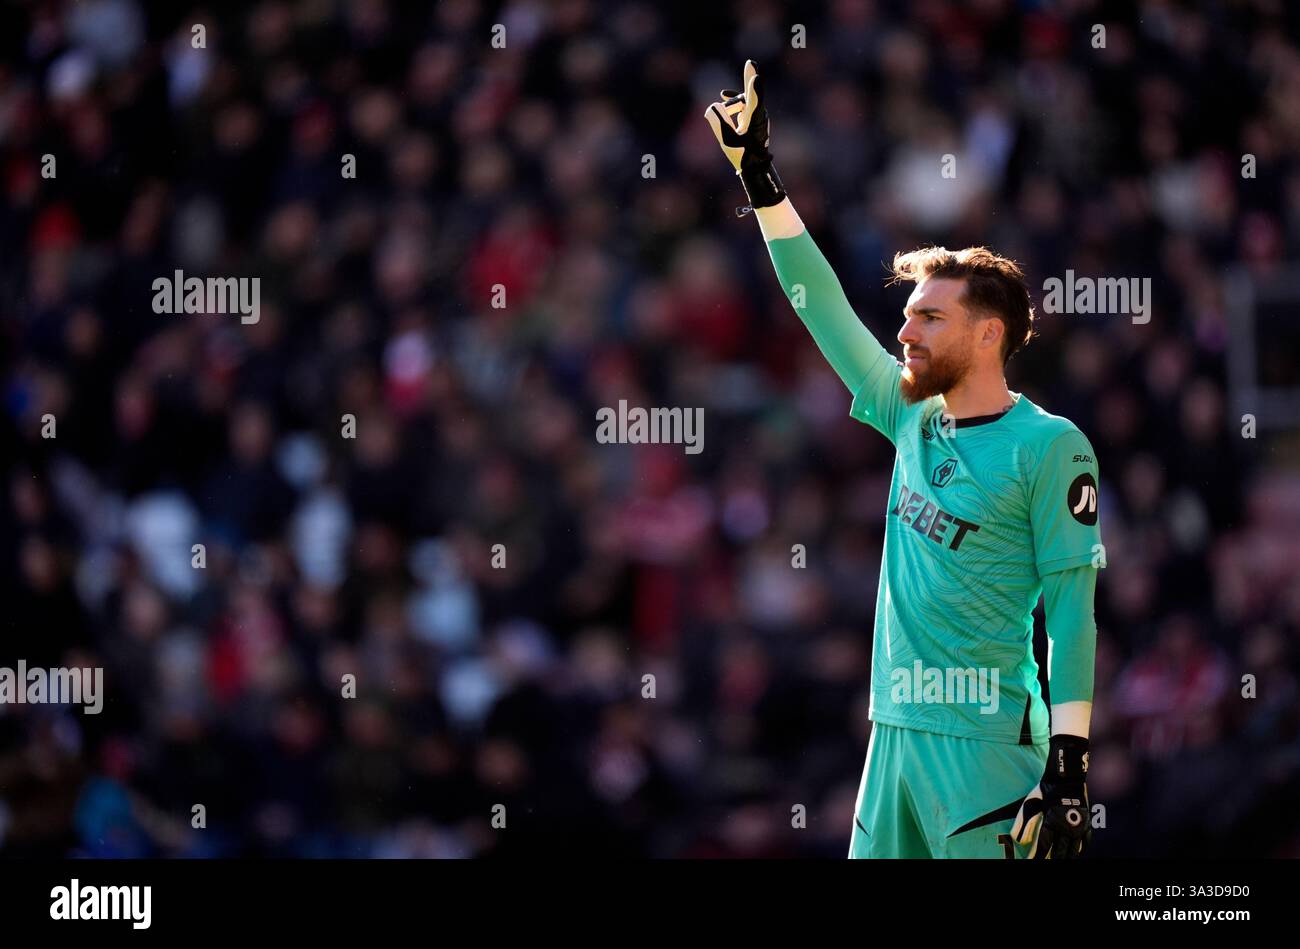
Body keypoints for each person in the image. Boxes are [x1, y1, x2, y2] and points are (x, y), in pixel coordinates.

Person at [704, 62, 1102, 858]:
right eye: (908, 316)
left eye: (929, 318)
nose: (906, 333)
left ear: (989, 334)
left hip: (986, 749)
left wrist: (1068, 765)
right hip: (893, 735)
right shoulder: (907, 409)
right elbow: (817, 302)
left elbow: (1070, 614)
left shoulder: (1051, 446)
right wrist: (760, 176)